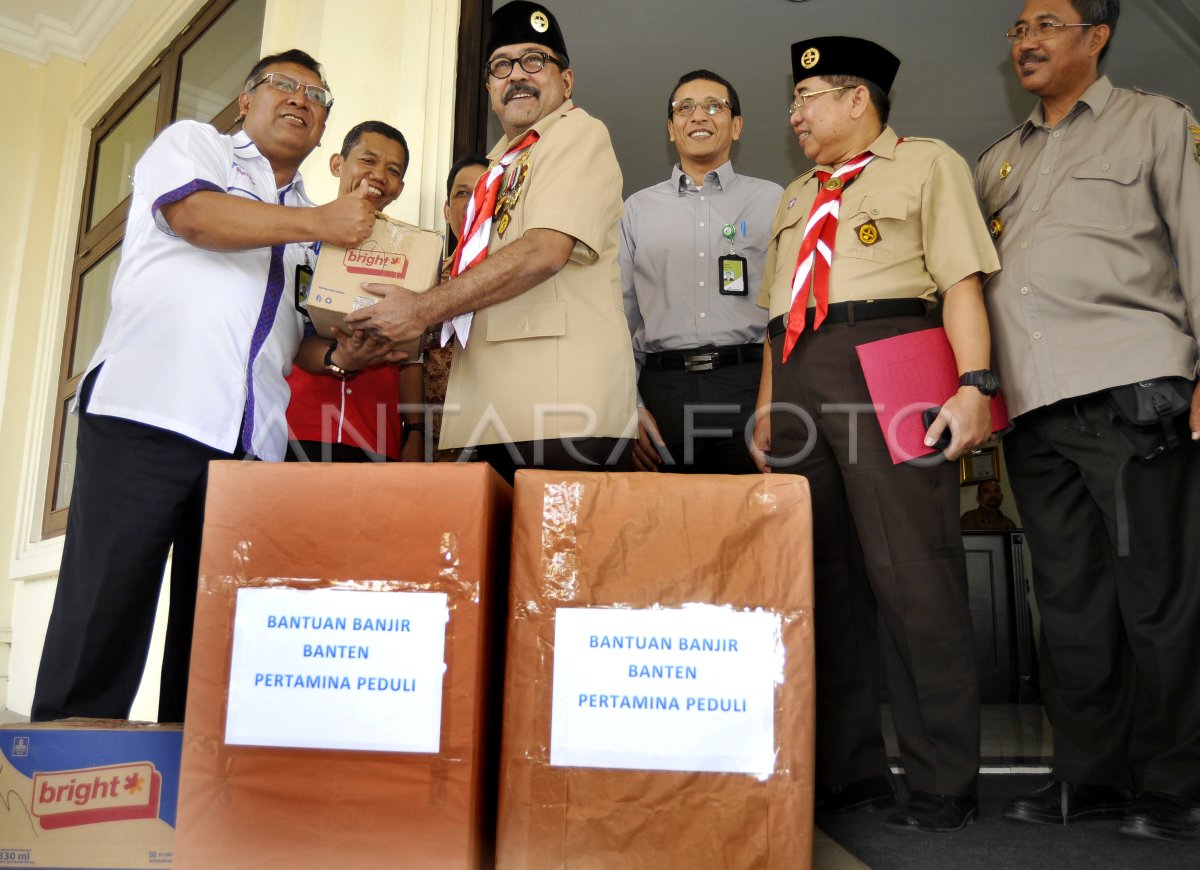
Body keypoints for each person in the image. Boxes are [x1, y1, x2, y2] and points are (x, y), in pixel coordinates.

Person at [32, 50, 403, 723]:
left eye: (316, 94)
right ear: (245, 99)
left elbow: (299, 339)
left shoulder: (311, 230)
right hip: (149, 416)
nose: (299, 98)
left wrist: (348, 353)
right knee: (104, 616)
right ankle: (58, 804)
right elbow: (195, 219)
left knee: (217, 644)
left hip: (247, 450)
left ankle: (189, 800)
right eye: (281, 85)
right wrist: (320, 224)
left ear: (323, 127)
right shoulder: (197, 147)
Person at [751, 36, 1001, 834]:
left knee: (912, 569)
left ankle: (942, 778)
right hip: (798, 370)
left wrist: (973, 387)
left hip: (895, 355)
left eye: (808, 98)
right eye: (793, 102)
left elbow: (961, 279)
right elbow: (774, 318)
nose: (795, 114)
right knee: (819, 578)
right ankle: (848, 771)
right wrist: (765, 406)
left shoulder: (929, 164)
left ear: (858, 99)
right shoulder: (796, 196)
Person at [978, 0, 1200, 841]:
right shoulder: (996, 161)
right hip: (1034, 409)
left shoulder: (1156, 123)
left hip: (1133, 389)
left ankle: (1176, 783)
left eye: (1046, 23)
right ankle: (1089, 776)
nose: (1026, 41)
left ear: (1097, 35)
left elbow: (1199, 240)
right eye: (1017, 29)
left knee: (1159, 597)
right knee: (1067, 604)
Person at [344, 1, 637, 482]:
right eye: (502, 65)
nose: (517, 75)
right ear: (489, 88)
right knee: (491, 558)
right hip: (485, 411)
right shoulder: (496, 166)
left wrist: (421, 308)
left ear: (566, 82)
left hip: (561, 410)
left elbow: (545, 249)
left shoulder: (578, 134)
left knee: (560, 559)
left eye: (534, 60)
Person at [619, 69, 782, 473]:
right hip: (663, 394)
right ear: (671, 129)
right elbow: (619, 317)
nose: (699, 116)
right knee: (668, 525)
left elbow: (787, 313)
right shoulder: (636, 210)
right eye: (685, 108)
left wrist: (773, 401)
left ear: (736, 125)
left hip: (748, 386)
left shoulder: (773, 200)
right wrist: (630, 405)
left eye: (714, 106)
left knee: (753, 523)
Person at [285, 120, 425, 463]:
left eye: (392, 170)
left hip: (377, 435)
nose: (378, 175)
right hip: (297, 427)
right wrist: (339, 358)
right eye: (368, 160)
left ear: (400, 187)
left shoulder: (412, 255)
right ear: (338, 164)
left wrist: (415, 431)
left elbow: (412, 356)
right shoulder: (295, 238)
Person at [422, 153, 489, 460]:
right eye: (463, 193)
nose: (473, 201)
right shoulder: (422, 283)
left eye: (485, 189)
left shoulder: (525, 281)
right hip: (433, 449)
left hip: (504, 443)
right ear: (447, 210)